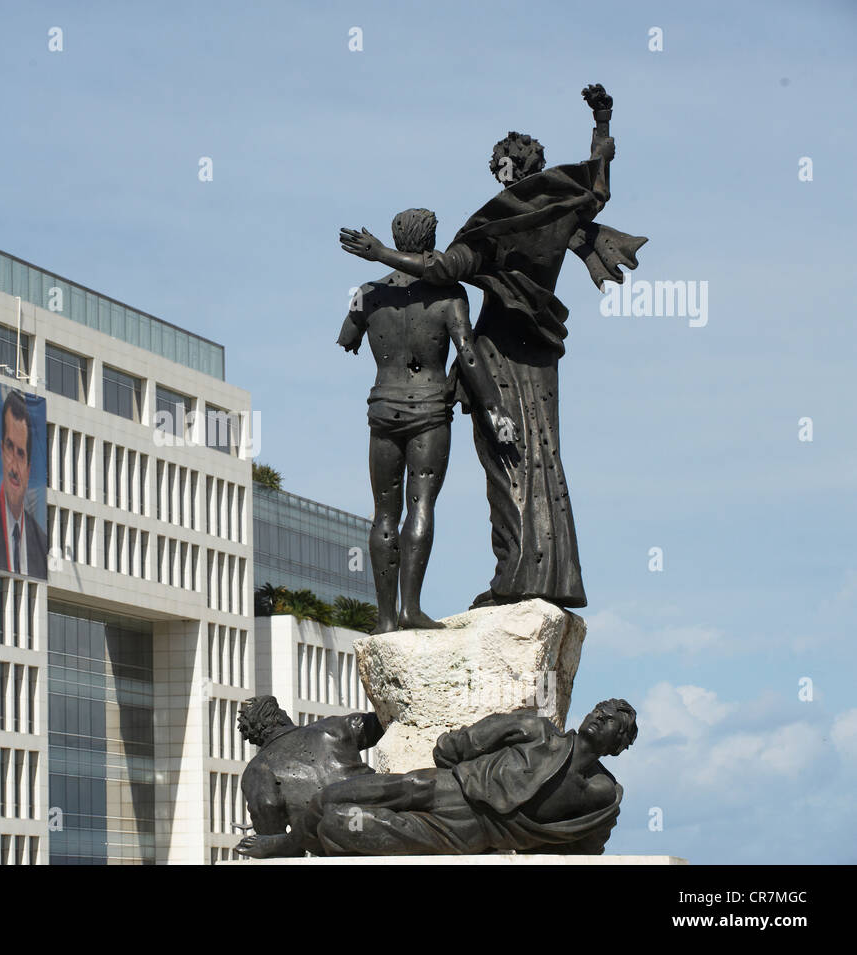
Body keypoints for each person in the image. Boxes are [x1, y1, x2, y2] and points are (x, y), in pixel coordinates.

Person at [340, 85, 647, 610]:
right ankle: (541, 574)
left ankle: (518, 577)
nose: (498, 174)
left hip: (500, 352)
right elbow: (597, 188)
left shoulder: (498, 226)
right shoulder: (556, 213)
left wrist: (380, 254)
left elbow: (440, 268)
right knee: (541, 454)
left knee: (508, 459)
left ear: (514, 165)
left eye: (501, 165)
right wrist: (601, 122)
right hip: (539, 350)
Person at [338, 208, 514, 633]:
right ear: (430, 241)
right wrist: (495, 409)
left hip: (383, 407)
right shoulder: (451, 295)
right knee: (420, 505)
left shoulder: (366, 292)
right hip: (431, 409)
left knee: (383, 512)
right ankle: (410, 609)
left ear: (396, 238)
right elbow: (468, 356)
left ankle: (384, 619)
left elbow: (346, 339)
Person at [239, 699, 637, 858]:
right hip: (450, 786)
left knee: (341, 822)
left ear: (617, 744)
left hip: (471, 833)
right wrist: (457, 760)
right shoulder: (536, 730)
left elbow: (583, 848)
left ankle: (303, 839)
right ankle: (291, 843)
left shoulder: (603, 794)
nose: (597, 718)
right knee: (339, 795)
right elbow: (455, 746)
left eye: (610, 722)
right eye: (599, 711)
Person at [234, 696, 384, 858]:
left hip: (338, 843)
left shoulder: (256, 770)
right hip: (384, 813)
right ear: (279, 717)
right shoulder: (331, 727)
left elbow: (277, 841)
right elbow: (384, 721)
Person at [0, 390, 47, 576]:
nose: (13, 466)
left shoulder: (39, 541)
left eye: (20, 454)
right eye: (9, 447)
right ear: (0, 451)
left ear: (29, 468)